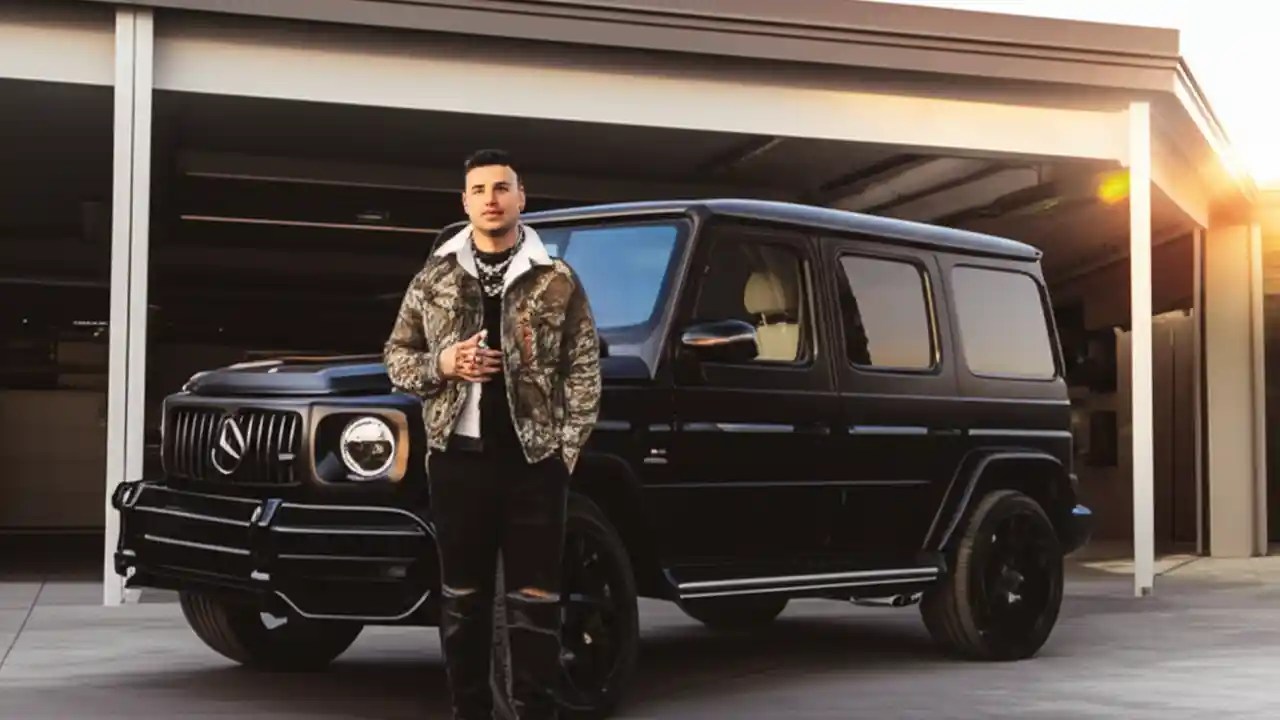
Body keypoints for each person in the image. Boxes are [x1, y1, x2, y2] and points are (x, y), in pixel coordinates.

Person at [383, 148, 602, 719]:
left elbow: (583, 368)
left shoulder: (556, 279)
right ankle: (470, 712)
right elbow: (396, 355)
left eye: (501, 188)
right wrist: (443, 366)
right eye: (479, 190)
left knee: (535, 603)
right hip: (457, 460)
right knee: (462, 603)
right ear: (465, 202)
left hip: (535, 464)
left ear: (521, 198)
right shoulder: (435, 275)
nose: (491, 199)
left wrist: (566, 451)